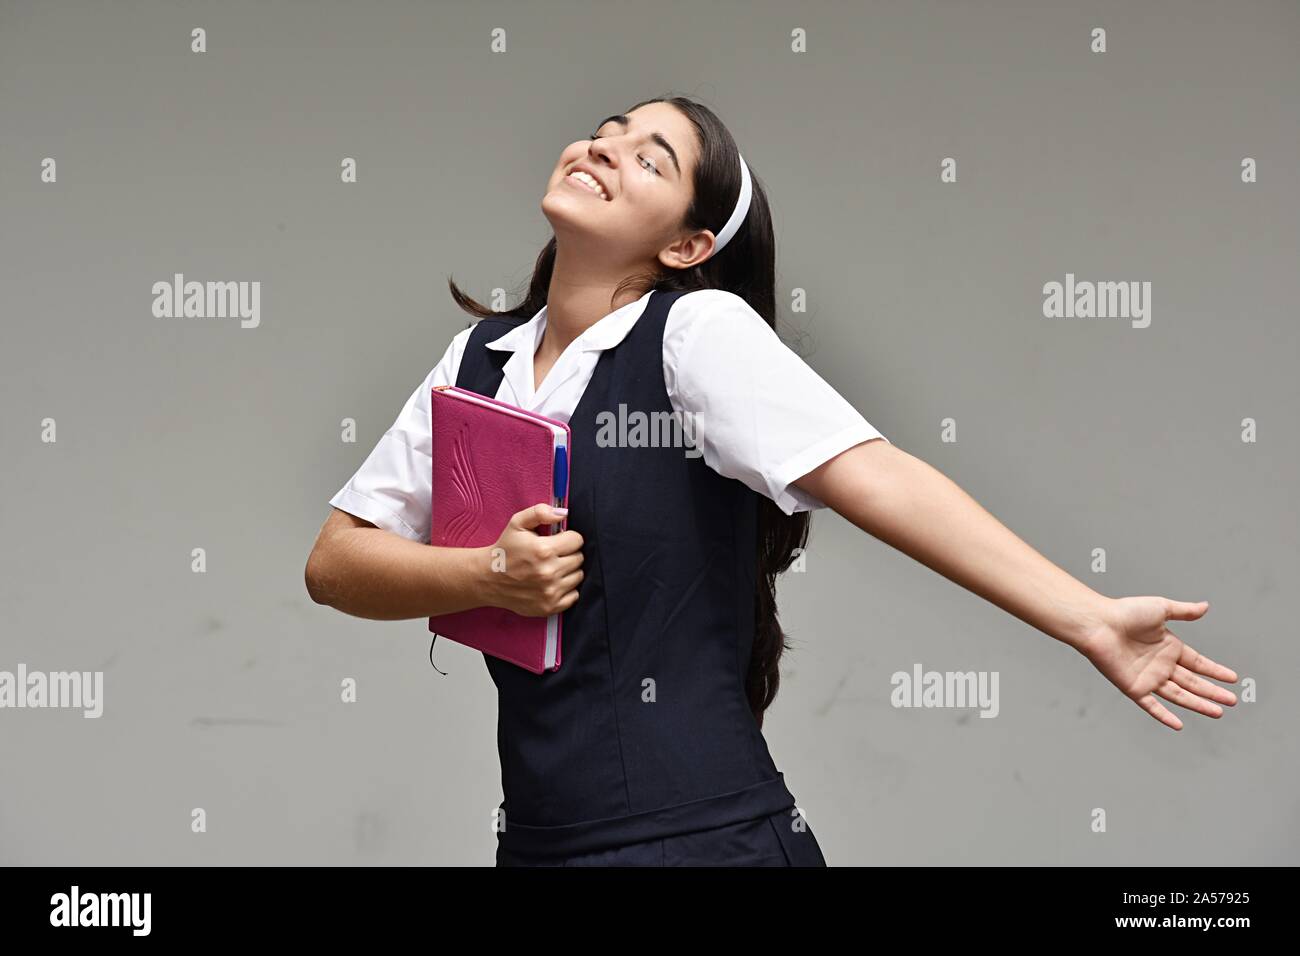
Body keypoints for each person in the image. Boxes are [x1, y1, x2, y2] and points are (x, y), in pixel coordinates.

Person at [304, 95, 1240, 867]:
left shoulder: (693, 333)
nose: (605, 146)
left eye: (651, 157)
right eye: (608, 130)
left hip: (702, 843)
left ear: (685, 245)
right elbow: (336, 562)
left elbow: (877, 476)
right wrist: (483, 579)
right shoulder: (476, 361)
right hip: (543, 847)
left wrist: (1084, 617)